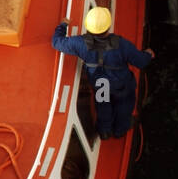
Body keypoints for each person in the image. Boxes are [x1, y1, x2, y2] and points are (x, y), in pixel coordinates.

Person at [52, 7, 154, 138]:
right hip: (121, 85)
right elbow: (141, 62)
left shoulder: (79, 43)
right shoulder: (122, 45)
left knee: (103, 106)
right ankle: (120, 131)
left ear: (88, 27)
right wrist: (148, 54)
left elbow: (56, 42)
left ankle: (104, 131)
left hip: (100, 84)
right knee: (124, 107)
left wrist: (63, 25)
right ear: (108, 26)